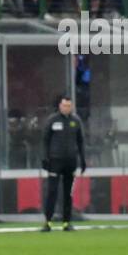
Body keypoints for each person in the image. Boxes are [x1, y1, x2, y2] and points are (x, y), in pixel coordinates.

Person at [40, 94, 85, 232]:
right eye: (64, 105)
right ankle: (48, 222)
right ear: (60, 106)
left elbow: (81, 142)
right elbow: (45, 140)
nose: (67, 108)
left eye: (69, 106)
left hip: (70, 162)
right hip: (55, 161)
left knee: (68, 193)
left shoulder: (76, 121)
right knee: (52, 192)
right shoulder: (52, 120)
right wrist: (45, 158)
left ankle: (67, 222)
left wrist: (82, 160)